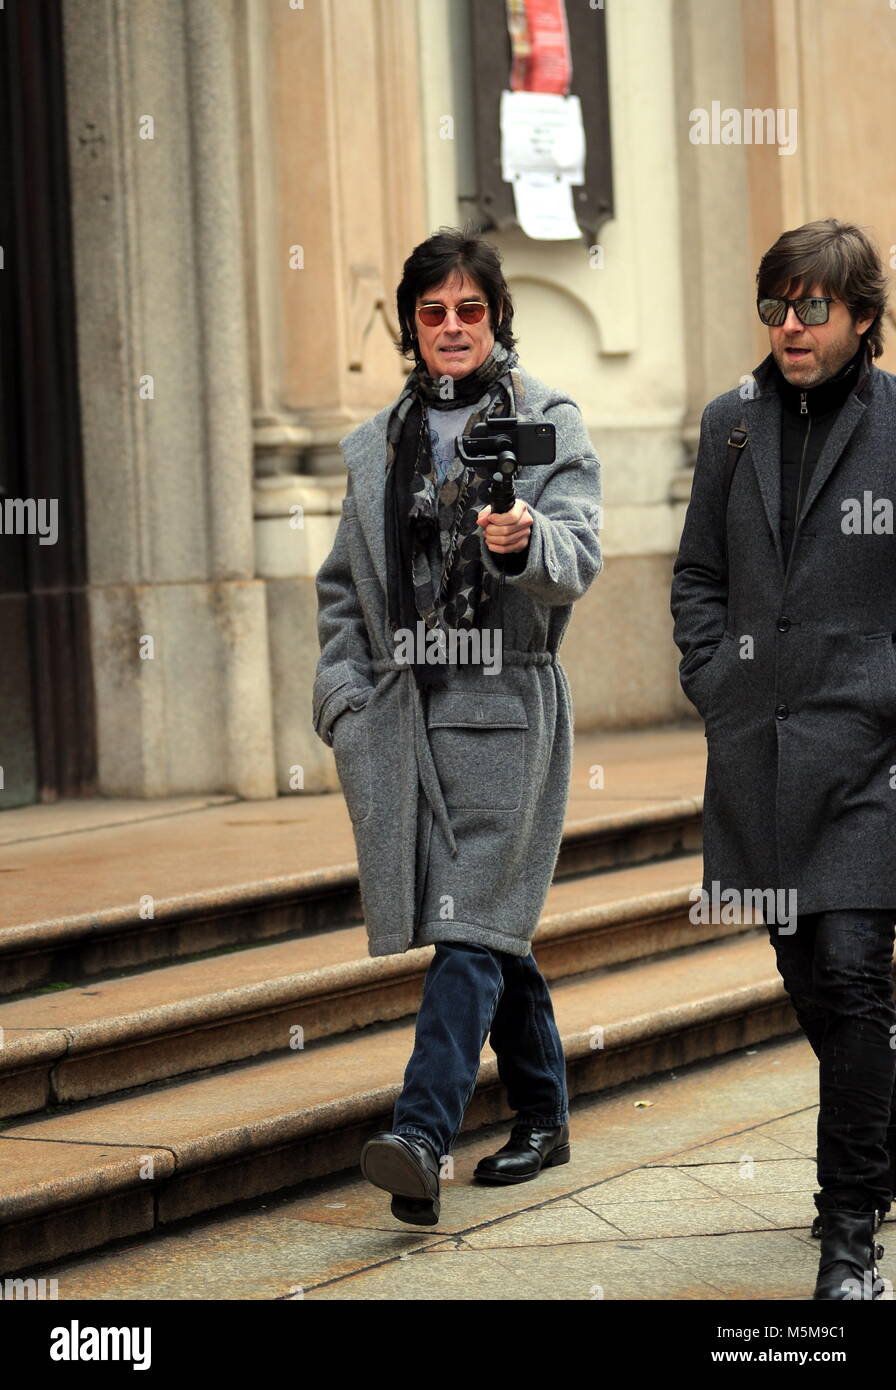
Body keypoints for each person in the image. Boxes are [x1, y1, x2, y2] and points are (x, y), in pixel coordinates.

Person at [312, 227, 602, 1225]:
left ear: (495, 319)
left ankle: (422, 1133)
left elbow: (581, 552)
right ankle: (543, 1111)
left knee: (468, 929)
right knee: (487, 923)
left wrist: (526, 539)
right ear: (410, 324)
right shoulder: (371, 447)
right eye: (431, 312)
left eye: (468, 310)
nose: (450, 327)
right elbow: (343, 597)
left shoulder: (545, 420)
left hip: (506, 705)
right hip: (400, 721)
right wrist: (342, 703)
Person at [671, 218, 896, 1300]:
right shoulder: (729, 427)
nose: (791, 326)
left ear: (860, 317)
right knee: (804, 976)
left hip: (868, 758)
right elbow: (697, 578)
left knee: (852, 972)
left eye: (812, 306)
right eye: (775, 305)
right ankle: (877, 1133)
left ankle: (844, 1232)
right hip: (756, 756)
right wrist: (715, 681)